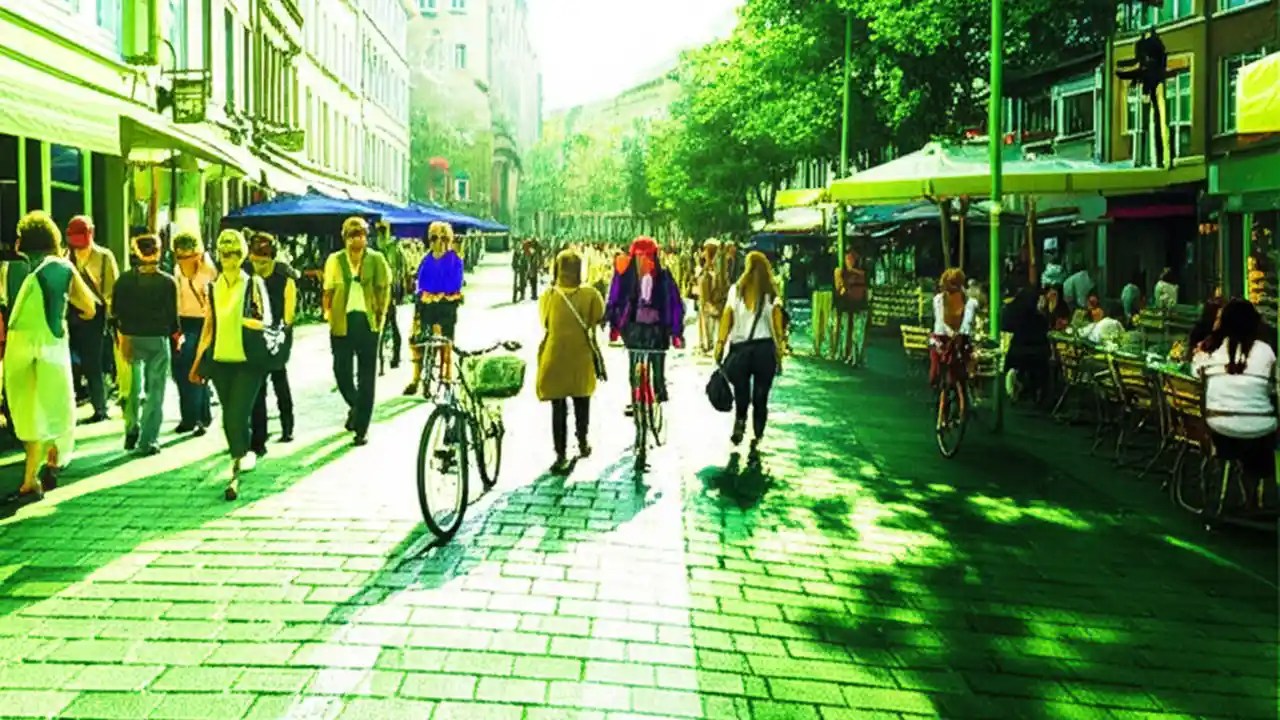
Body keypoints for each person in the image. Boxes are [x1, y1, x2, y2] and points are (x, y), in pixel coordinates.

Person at [2, 211, 98, 501]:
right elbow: (90, 308)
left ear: (20, 243)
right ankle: (54, 460)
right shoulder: (61, 267)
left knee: (25, 408)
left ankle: (29, 479)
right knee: (57, 404)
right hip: (51, 342)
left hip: (17, 343)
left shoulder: (8, 269)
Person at [190, 231, 272, 499]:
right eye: (225, 254)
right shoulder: (213, 287)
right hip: (221, 360)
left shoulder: (254, 284)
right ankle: (244, 450)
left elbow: (266, 321)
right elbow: (208, 326)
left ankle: (237, 464)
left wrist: (248, 322)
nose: (229, 259)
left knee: (235, 415)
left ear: (242, 255)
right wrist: (198, 360)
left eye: (235, 254)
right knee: (230, 414)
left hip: (248, 361)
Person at [1192, 299, 1277, 512]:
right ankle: (1254, 498)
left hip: (1219, 430)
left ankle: (1221, 497)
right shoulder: (1266, 351)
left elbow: (1196, 373)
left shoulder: (1211, 349)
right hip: (1260, 432)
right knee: (1263, 436)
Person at [324, 217, 391, 446]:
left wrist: (380, 317)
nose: (357, 239)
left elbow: (384, 289)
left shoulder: (376, 259)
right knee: (341, 371)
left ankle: (362, 427)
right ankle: (356, 404)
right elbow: (328, 291)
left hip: (367, 321)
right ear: (345, 237)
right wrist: (328, 315)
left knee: (366, 376)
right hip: (342, 321)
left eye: (361, 234)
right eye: (353, 235)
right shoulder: (335, 260)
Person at [536, 249, 605, 474]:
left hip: (555, 357)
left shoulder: (549, 295)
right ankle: (583, 441)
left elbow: (544, 323)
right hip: (581, 356)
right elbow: (598, 317)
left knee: (558, 407)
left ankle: (560, 454)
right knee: (581, 400)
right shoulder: (591, 294)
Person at [112, 234, 179, 457]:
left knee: (132, 388)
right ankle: (148, 440)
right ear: (159, 252)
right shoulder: (168, 282)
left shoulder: (124, 280)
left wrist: (121, 338)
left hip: (129, 337)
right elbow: (173, 318)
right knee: (155, 392)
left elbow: (115, 313)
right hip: (158, 339)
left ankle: (131, 427)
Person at [715, 251, 785, 451]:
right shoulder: (771, 293)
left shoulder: (736, 290)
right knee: (761, 394)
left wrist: (720, 344)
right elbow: (778, 321)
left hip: (740, 349)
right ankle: (758, 431)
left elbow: (727, 316)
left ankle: (740, 423)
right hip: (764, 349)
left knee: (741, 390)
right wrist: (780, 348)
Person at [607, 236, 684, 407]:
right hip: (638, 327)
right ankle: (642, 396)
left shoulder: (661, 276)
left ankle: (654, 393)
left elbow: (674, 304)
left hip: (650, 328)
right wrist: (614, 324)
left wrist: (676, 331)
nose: (644, 260)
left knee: (648, 363)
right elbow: (615, 299)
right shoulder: (627, 274)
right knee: (640, 363)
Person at [65, 215, 119, 423]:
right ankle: (70, 407)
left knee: (92, 363)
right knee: (69, 363)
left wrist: (110, 318)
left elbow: (112, 291)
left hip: (96, 317)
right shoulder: (66, 256)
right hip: (70, 314)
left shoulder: (104, 257)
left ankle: (100, 407)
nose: (79, 248)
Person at [247, 233, 298, 447]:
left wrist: (281, 332)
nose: (260, 266)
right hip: (254, 332)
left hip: (278, 332)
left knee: (279, 378)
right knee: (257, 385)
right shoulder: (246, 274)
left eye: (264, 262)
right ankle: (259, 437)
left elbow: (289, 309)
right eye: (256, 261)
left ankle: (287, 426)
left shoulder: (284, 275)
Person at [405, 222, 464, 395]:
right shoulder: (426, 260)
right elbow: (421, 283)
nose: (439, 242)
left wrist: (443, 295)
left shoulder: (455, 260)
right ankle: (415, 379)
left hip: (446, 305)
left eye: (444, 238)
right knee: (416, 340)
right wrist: (424, 294)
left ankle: (445, 377)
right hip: (426, 304)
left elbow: (456, 284)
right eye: (434, 238)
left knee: (445, 344)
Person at [171, 232, 216, 435]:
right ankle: (188, 417)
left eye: (187, 257)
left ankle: (200, 418)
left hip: (203, 322)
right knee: (180, 371)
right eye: (179, 257)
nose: (183, 262)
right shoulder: (177, 271)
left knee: (197, 369)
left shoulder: (208, 272)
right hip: (183, 322)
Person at [930, 268, 979, 389]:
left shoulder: (970, 302)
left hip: (962, 341)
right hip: (943, 340)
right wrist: (952, 333)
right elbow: (940, 320)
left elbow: (969, 322)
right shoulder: (939, 300)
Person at [1002, 286, 1050, 404]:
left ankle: (1019, 387)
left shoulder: (1012, 312)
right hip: (1037, 355)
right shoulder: (1039, 318)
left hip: (1016, 353)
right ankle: (1038, 394)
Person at [376, 221, 406, 370]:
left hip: (390, 292)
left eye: (382, 230)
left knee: (392, 326)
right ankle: (381, 360)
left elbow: (401, 271)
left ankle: (395, 357)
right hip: (377, 293)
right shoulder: (374, 247)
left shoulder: (394, 248)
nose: (380, 233)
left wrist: (398, 293)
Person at [833, 249, 869, 366]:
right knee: (846, 331)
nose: (850, 261)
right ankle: (846, 354)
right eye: (848, 259)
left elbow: (864, 279)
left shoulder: (861, 272)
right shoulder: (841, 272)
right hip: (847, 306)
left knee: (857, 333)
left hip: (859, 306)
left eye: (852, 259)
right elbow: (839, 288)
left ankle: (856, 357)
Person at [697, 239, 727, 354]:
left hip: (710, 303)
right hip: (713, 303)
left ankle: (707, 344)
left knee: (708, 325)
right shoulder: (715, 268)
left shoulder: (710, 270)